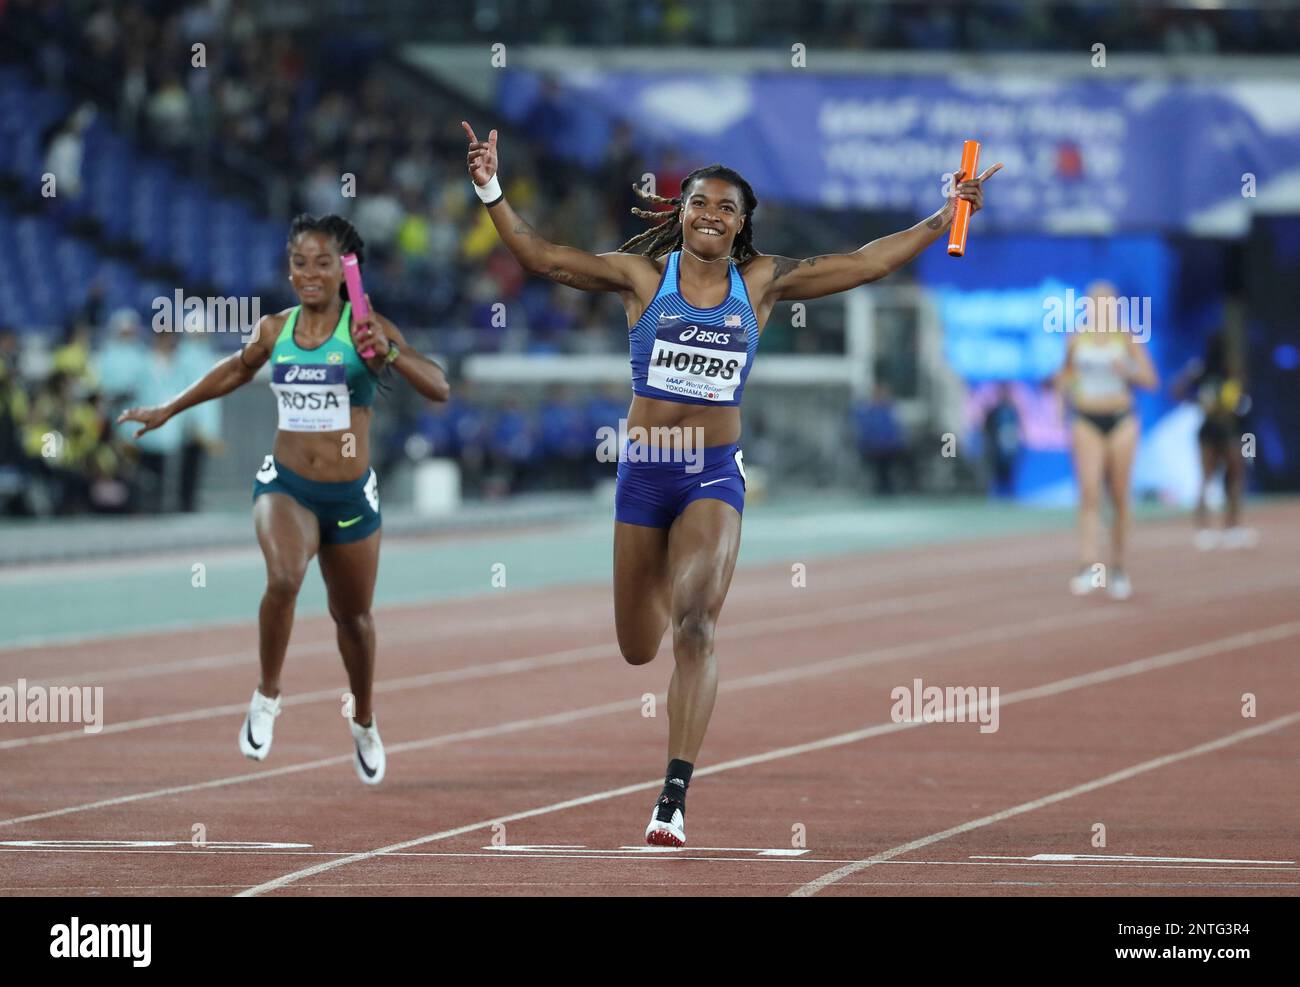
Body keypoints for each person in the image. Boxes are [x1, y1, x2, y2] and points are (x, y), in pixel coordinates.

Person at [462, 120, 999, 845]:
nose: (712, 214)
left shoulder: (764, 281)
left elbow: (866, 262)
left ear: (743, 224)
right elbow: (538, 254)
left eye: (727, 207)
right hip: (645, 473)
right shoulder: (641, 278)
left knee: (697, 622)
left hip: (713, 472)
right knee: (636, 646)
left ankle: (672, 797)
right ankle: (663, 586)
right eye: (700, 203)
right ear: (679, 213)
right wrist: (490, 186)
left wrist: (942, 217)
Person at [118, 214, 450, 784]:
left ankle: (364, 719)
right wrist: (169, 408)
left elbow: (439, 385)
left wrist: (388, 356)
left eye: (323, 263)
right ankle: (267, 695)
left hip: (349, 494)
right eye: (300, 263)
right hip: (287, 485)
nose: (310, 273)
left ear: (345, 272)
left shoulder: (367, 328)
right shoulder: (275, 329)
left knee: (353, 618)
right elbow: (232, 371)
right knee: (284, 578)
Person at [1053, 281, 1158, 600]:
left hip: (1121, 419)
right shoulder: (1076, 339)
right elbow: (1066, 375)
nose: (1100, 308)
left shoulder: (1125, 337)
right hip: (1086, 419)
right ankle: (1088, 566)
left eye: (1106, 302)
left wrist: (1125, 368)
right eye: (1094, 302)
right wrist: (1061, 402)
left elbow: (1150, 380)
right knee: (1089, 493)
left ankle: (1120, 568)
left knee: (1119, 495)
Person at [1172, 331, 1254, 549]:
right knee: (1233, 477)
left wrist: (1195, 399)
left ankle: (1207, 529)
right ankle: (1229, 527)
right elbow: (1245, 401)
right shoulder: (1228, 370)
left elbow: (1177, 392)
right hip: (1227, 431)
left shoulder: (1203, 370)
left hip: (1215, 430)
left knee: (1209, 479)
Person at [984, 382, 1022, 498]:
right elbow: (987, 428)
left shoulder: (1013, 410)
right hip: (997, 449)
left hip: (1010, 449)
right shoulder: (994, 411)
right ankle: (996, 495)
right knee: (997, 473)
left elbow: (1018, 428)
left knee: (1009, 474)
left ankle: (1010, 496)